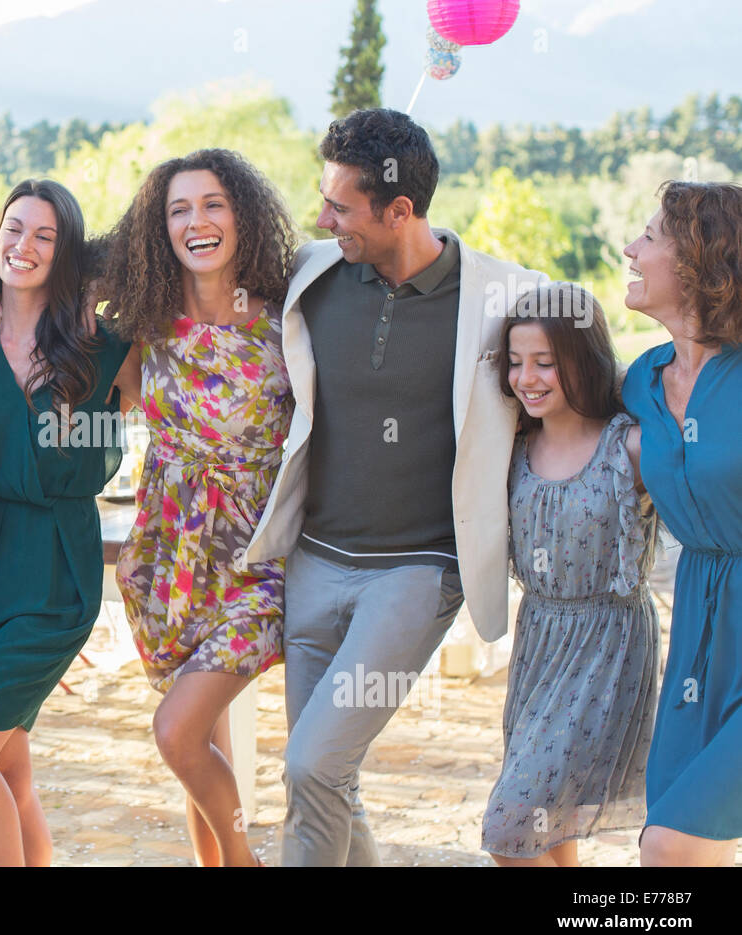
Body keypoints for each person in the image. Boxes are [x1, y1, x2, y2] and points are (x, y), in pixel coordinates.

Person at [242, 108, 548, 867]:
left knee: (313, 762)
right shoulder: (313, 274)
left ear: (400, 211)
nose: (322, 218)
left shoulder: (506, 297)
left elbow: (574, 392)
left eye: (339, 206)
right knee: (327, 779)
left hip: (417, 572)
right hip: (311, 563)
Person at [100, 148, 298, 867]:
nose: (197, 221)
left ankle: (244, 863)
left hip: (259, 561)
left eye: (213, 204)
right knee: (200, 742)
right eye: (178, 210)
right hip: (170, 558)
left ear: (242, 216)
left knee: (177, 732)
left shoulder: (286, 323)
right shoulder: (145, 324)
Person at [0, 180, 133, 866]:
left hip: (55, 572)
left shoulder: (107, 346)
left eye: (45, 237)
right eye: (13, 229)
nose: (22, 247)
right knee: (8, 768)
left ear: (69, 256)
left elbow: (184, 429)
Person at [482, 282, 659, 866]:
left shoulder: (629, 447)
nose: (526, 378)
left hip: (609, 645)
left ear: (581, 360)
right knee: (547, 827)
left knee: (512, 821)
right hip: (541, 640)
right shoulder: (512, 448)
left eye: (545, 363)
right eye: (515, 363)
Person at [620, 180, 742, 867]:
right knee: (676, 838)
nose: (629, 249)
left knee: (671, 847)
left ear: (701, 260)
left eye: (649, 238)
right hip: (699, 632)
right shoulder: (642, 380)